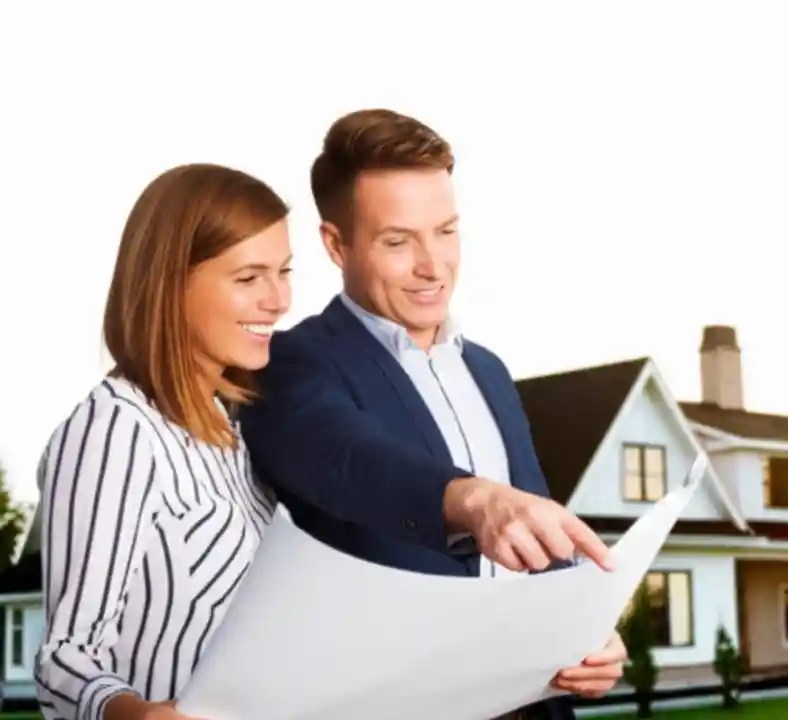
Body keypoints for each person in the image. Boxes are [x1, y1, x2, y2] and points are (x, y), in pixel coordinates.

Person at [239, 109, 625, 718]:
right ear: (336, 245)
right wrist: (473, 500)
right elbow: (345, 459)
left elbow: (539, 543)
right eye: (397, 241)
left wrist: (589, 636)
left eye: (446, 231)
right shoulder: (290, 364)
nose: (433, 264)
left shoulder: (490, 372)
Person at [34, 164, 293, 720]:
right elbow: (65, 658)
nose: (278, 300)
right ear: (170, 282)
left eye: (284, 272)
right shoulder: (116, 430)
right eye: (249, 278)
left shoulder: (235, 436)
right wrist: (139, 713)